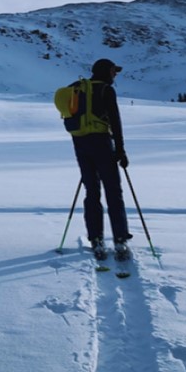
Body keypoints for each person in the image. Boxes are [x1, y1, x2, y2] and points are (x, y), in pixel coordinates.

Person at [68, 58, 132, 261]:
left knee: (92, 191)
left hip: (80, 144)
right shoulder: (106, 90)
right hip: (102, 143)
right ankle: (120, 239)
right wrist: (120, 151)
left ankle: (96, 238)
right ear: (106, 71)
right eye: (114, 71)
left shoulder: (77, 88)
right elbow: (115, 121)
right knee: (113, 191)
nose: (116, 75)